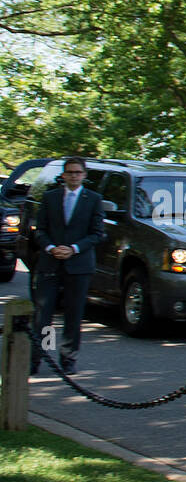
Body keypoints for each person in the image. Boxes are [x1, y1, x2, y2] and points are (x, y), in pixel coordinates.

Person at [31, 156, 106, 376]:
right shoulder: (50, 197)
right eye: (70, 172)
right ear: (63, 175)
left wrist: (73, 248)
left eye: (77, 172)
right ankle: (40, 356)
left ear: (84, 175)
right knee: (44, 314)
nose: (73, 176)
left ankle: (68, 358)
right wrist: (51, 247)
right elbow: (40, 230)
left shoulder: (93, 199)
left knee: (73, 314)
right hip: (50, 263)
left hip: (79, 264)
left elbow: (97, 234)